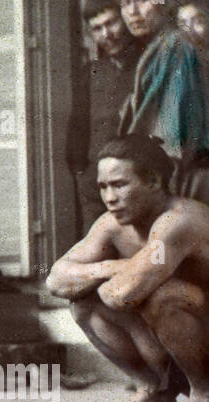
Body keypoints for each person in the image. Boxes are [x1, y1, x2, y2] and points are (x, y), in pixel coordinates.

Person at [47, 133, 209, 402]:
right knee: (83, 306)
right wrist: (112, 266)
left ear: (154, 182)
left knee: (165, 296)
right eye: (103, 186)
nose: (110, 197)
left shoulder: (179, 220)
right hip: (183, 348)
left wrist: (107, 277)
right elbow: (56, 279)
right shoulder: (113, 225)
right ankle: (154, 393)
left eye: (120, 184)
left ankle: (204, 394)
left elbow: (122, 294)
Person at [119, 0, 209, 201]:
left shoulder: (175, 45)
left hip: (183, 182)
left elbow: (172, 138)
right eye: (125, 4)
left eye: (141, 1)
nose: (132, 12)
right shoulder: (161, 45)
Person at [70, 2, 143, 232]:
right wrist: (82, 173)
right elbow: (78, 126)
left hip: (137, 182)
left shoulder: (149, 64)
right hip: (96, 185)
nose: (106, 34)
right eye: (97, 28)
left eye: (111, 23)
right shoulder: (91, 72)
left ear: (124, 20)